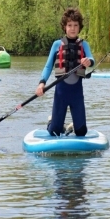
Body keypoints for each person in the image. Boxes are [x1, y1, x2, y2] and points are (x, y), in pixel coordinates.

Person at [36, 8, 95, 137]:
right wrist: (41, 83)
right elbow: (48, 67)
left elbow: (92, 59)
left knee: (81, 132)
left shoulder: (84, 45)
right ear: (64, 27)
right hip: (61, 93)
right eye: (69, 25)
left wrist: (88, 62)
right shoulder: (57, 44)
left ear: (79, 27)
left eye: (75, 25)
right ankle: (52, 122)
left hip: (77, 93)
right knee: (55, 131)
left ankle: (73, 126)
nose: (72, 28)